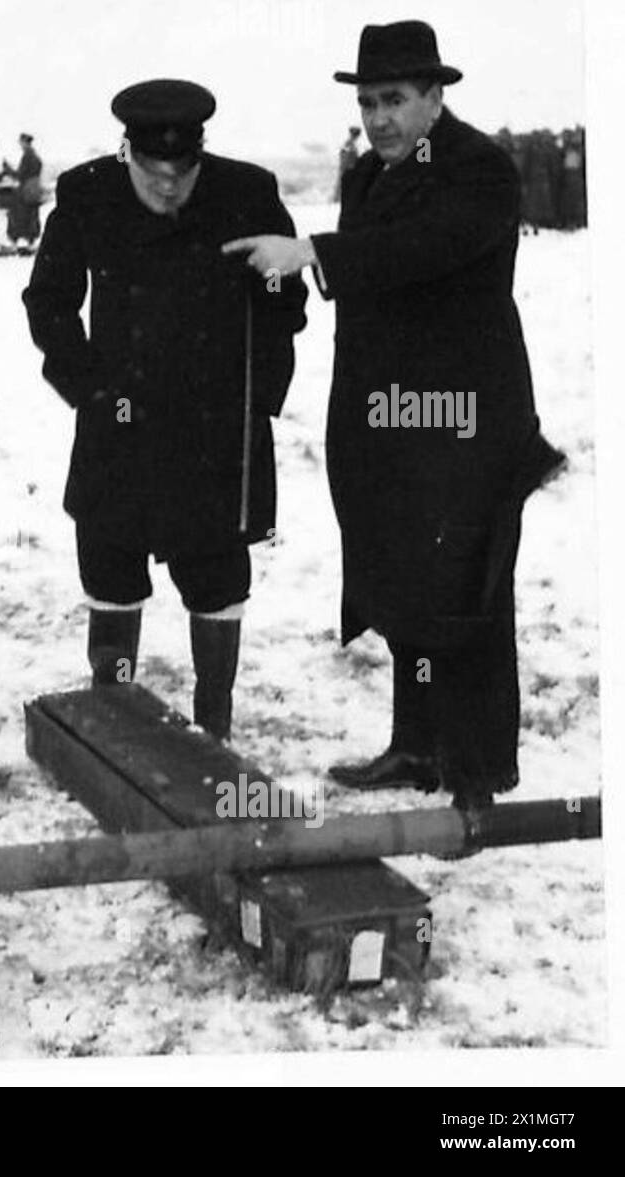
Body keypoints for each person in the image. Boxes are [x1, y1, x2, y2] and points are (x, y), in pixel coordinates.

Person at [222, 20, 564, 819]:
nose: (379, 117)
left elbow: (427, 249)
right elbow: (380, 287)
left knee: (467, 582)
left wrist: (313, 252)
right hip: (389, 415)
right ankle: (416, 744)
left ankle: (477, 769)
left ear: (436, 97)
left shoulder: (480, 169)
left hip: (465, 415)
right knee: (403, 574)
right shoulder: (367, 177)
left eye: (396, 100)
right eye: (369, 101)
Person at [23, 80, 308, 741]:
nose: (171, 188)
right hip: (118, 417)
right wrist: (89, 390)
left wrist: (258, 399)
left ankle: (215, 719)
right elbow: (49, 302)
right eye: (155, 175)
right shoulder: (87, 194)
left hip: (215, 426)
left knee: (215, 573)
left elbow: (284, 310)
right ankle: (112, 711)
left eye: (184, 173)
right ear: (129, 154)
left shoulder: (248, 193)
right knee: (111, 561)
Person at [4, 132, 44, 249]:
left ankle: (16, 239)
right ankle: (31, 240)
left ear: (24, 142)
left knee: (18, 214)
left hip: (26, 191)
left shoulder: (27, 156)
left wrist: (7, 169)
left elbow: (20, 175)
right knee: (32, 215)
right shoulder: (35, 156)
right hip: (34, 190)